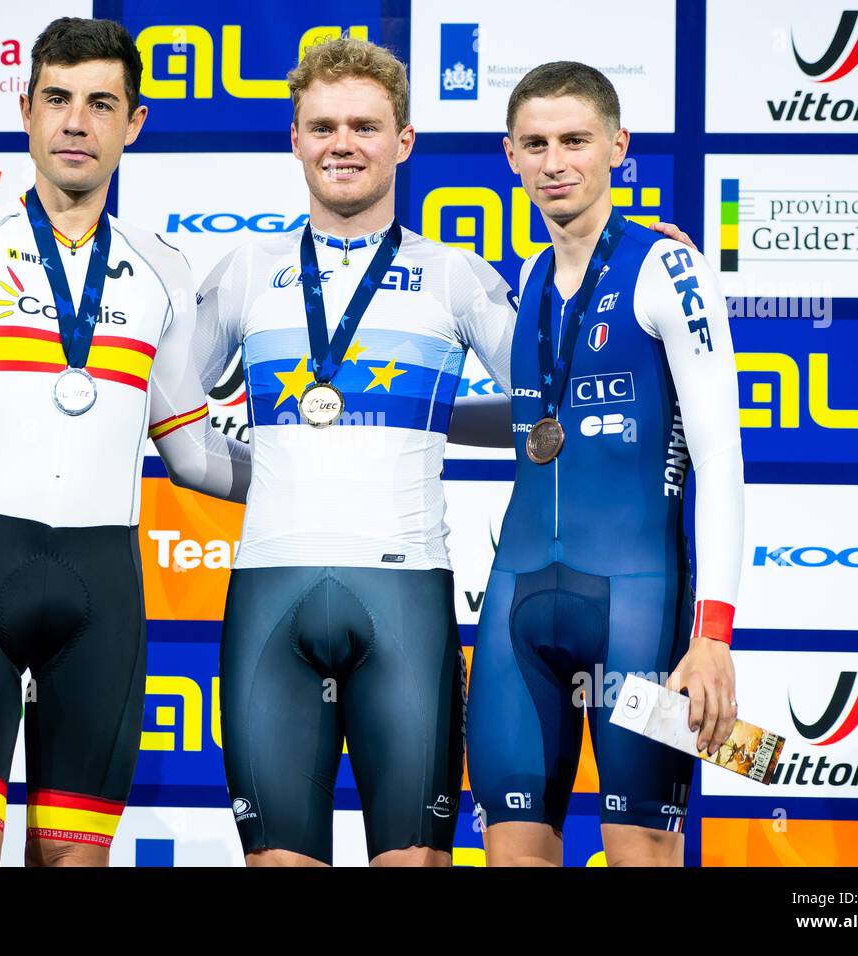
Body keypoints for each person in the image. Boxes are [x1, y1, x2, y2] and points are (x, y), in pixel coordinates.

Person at [193, 38, 690, 867]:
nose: (341, 143)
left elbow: (551, 397)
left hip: (407, 596)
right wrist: (258, 471)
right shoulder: (245, 268)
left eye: (364, 125)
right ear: (293, 138)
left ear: (405, 140)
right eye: (321, 126)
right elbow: (158, 401)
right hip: (269, 589)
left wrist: (635, 272)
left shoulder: (458, 275)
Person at [0, 16, 248, 868]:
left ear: (133, 123)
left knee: (75, 862)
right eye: (59, 100)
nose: (78, 122)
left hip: (102, 590)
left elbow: (187, 452)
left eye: (102, 104)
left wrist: (306, 472)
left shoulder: (164, 268)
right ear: (24, 108)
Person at [464, 61, 744, 867]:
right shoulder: (525, 282)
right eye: (535, 144)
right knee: (512, 850)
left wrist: (714, 634)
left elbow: (721, 454)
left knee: (639, 851)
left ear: (618, 147)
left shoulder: (669, 267)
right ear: (510, 156)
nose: (555, 162)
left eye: (575, 141)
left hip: (640, 613)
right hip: (518, 608)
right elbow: (535, 418)